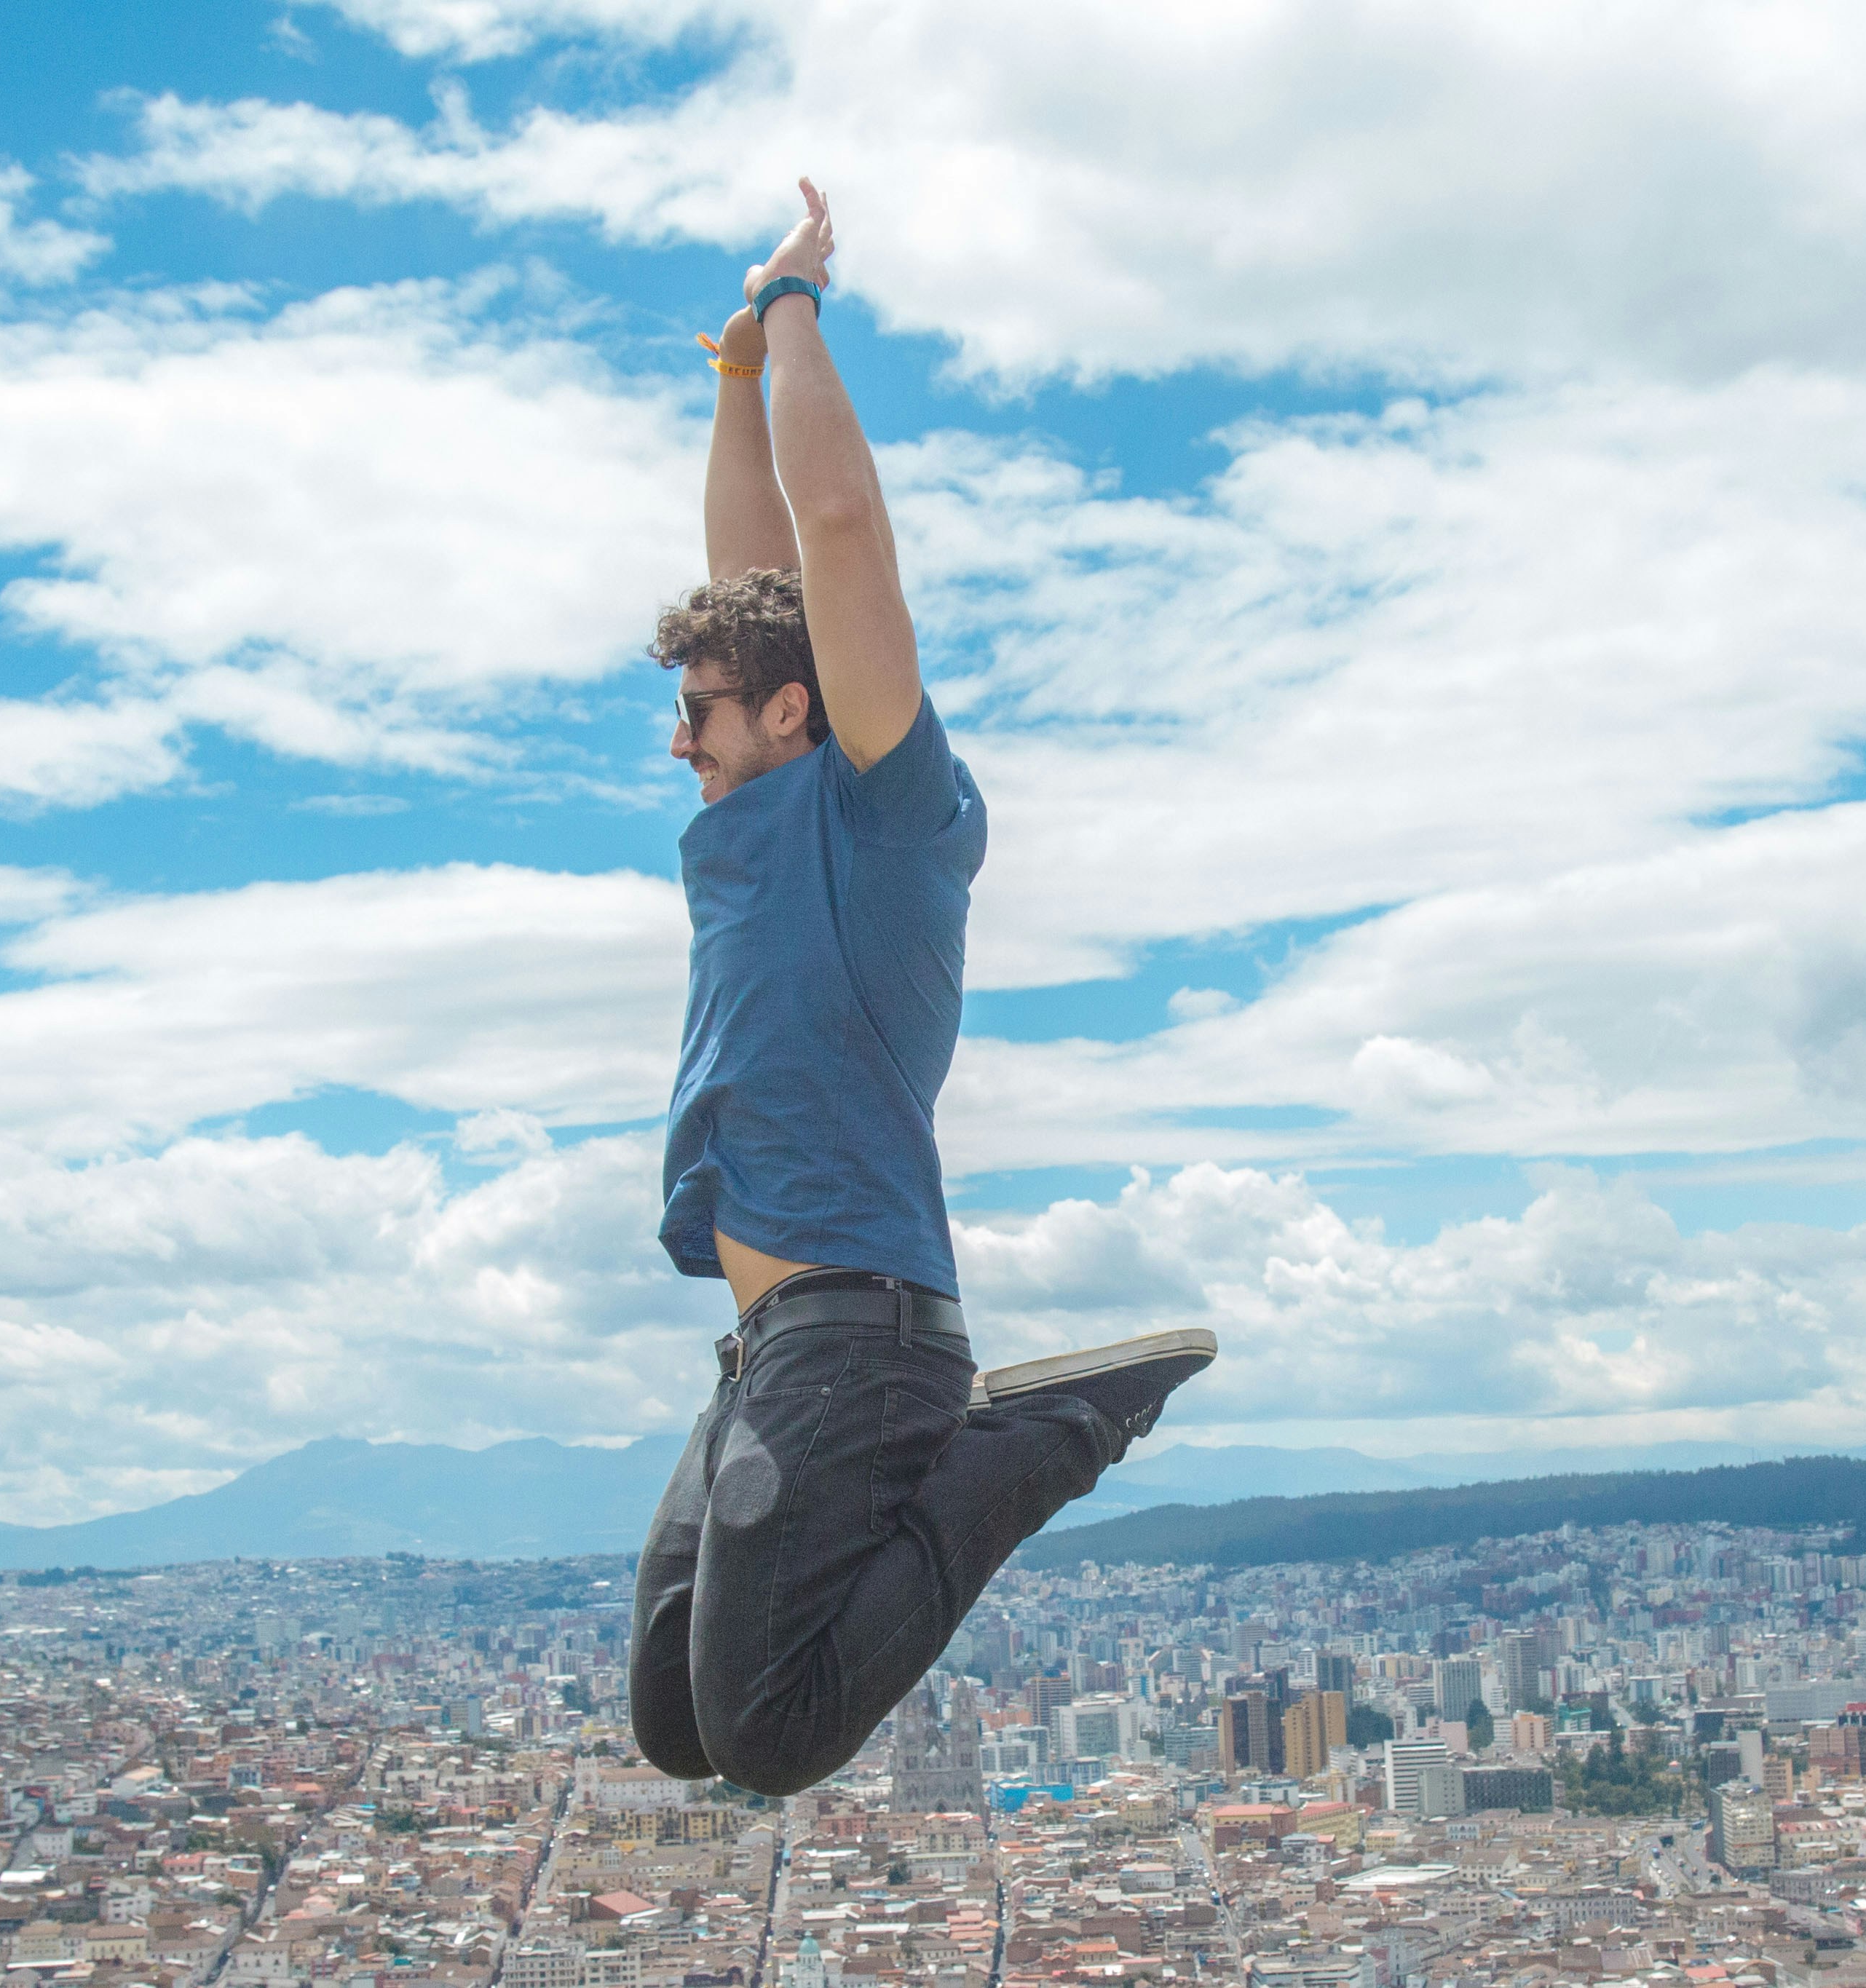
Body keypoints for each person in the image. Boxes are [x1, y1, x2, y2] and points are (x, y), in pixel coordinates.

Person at [630, 181, 1215, 1798]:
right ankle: (997, 1433)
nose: (680, 737)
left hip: (859, 1335)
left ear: (802, 714)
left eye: (703, 712)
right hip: (769, 1344)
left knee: (775, 1732)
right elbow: (754, 573)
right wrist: (737, 371)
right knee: (680, 1728)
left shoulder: (882, 809)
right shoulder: (758, 809)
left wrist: (798, 301)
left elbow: (834, 541)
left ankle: (1042, 1437)